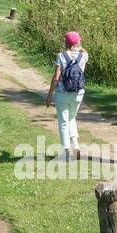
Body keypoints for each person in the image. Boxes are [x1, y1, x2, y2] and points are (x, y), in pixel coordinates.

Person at [45, 31, 87, 162]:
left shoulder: (61, 56)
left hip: (62, 94)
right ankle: (76, 146)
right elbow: (83, 49)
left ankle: (66, 152)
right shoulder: (84, 56)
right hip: (78, 94)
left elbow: (56, 78)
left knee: (63, 122)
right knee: (72, 119)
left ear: (66, 42)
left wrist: (50, 94)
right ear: (78, 42)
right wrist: (79, 46)